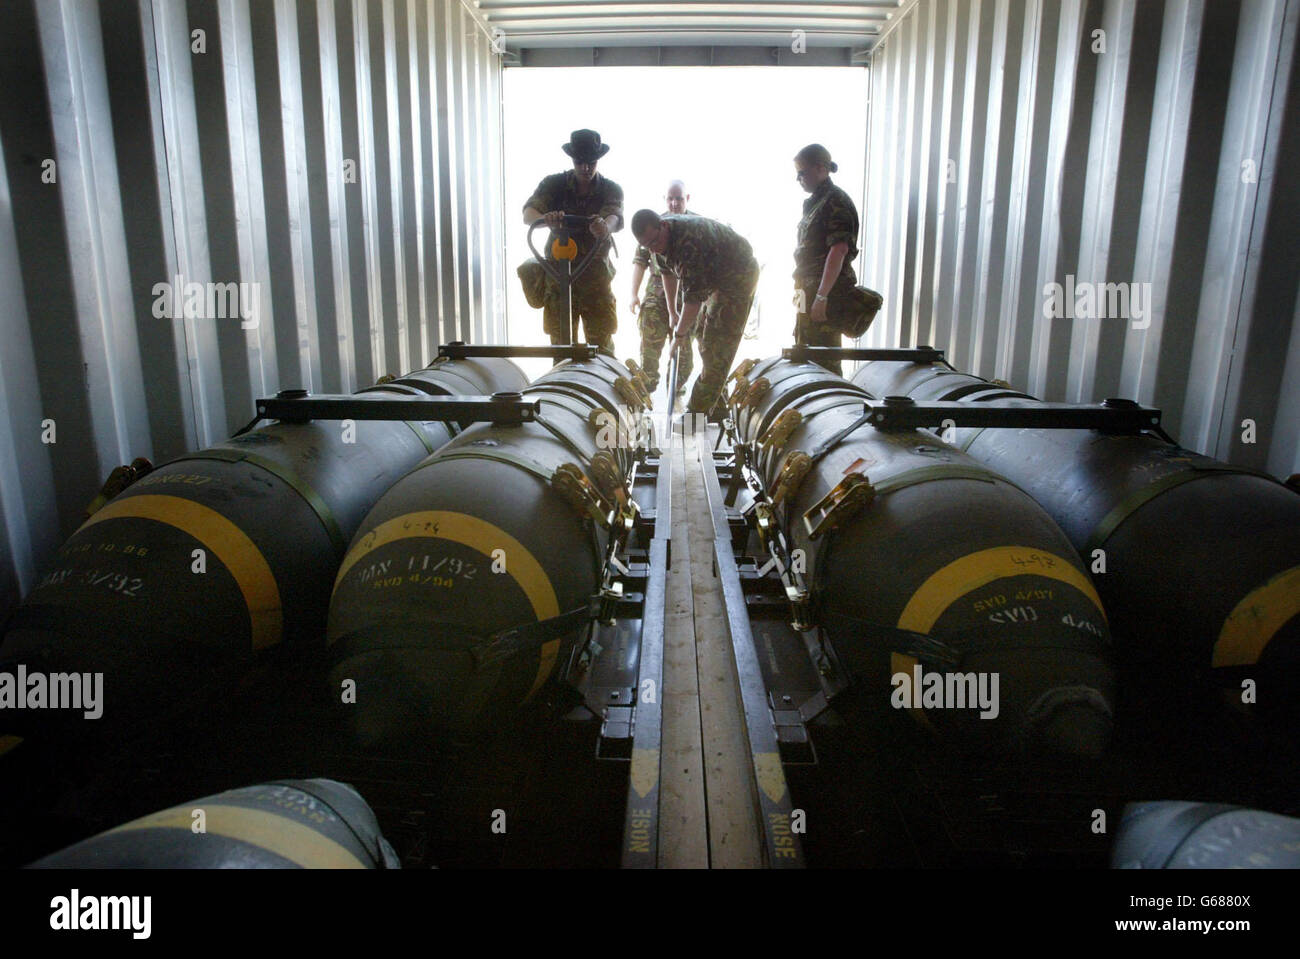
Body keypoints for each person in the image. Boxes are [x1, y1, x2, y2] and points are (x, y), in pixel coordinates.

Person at [631, 210, 758, 421]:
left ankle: (695, 418)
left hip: (737, 277)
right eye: (647, 246)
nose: (653, 248)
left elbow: (693, 300)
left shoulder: (689, 243)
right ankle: (716, 406)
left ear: (663, 225)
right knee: (702, 334)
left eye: (654, 241)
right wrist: (672, 312)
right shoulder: (658, 243)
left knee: (717, 348)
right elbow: (667, 273)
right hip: (714, 276)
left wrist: (678, 337)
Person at [522, 129, 624, 351]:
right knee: (561, 348)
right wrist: (545, 220)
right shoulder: (553, 185)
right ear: (572, 160)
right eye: (580, 162)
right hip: (559, 277)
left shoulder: (610, 189)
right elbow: (528, 215)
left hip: (595, 279)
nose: (585, 168)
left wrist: (605, 226)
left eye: (591, 162)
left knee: (602, 349)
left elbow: (615, 216)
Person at [628, 180, 706, 395]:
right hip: (657, 296)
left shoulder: (697, 226)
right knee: (649, 351)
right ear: (665, 199)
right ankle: (645, 393)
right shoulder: (652, 226)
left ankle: (675, 389)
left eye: (679, 198)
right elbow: (640, 262)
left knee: (682, 358)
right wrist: (634, 294)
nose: (674, 203)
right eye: (670, 198)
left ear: (687, 198)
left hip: (689, 300)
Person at [792, 143, 860, 376]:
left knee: (824, 359)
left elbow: (839, 250)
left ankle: (830, 409)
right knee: (803, 351)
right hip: (805, 291)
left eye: (803, 172)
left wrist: (822, 296)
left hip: (824, 293)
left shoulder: (835, 201)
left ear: (821, 169)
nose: (798, 178)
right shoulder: (817, 202)